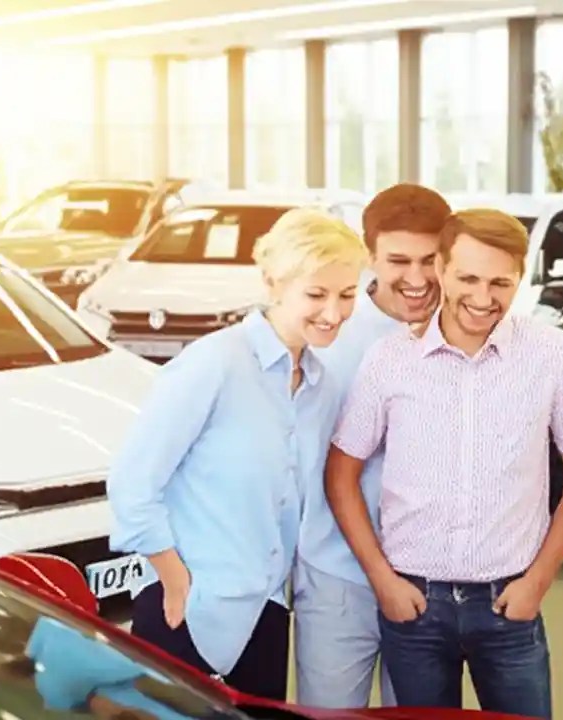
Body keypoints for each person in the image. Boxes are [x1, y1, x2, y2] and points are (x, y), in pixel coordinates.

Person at [326, 209, 563, 719]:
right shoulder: (390, 359)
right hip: (412, 605)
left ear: (521, 278)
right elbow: (341, 474)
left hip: (510, 604)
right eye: (468, 278)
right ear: (440, 269)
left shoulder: (555, 354)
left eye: (501, 282)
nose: (483, 298)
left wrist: (537, 583)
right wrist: (382, 581)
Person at [106, 208, 368, 702]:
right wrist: (174, 578)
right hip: (185, 609)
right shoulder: (214, 363)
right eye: (316, 294)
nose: (333, 312)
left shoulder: (322, 383)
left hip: (266, 613)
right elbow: (132, 485)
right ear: (274, 283)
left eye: (347, 295)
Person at [294, 183, 450, 709]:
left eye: (430, 260)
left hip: (434, 584)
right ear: (370, 257)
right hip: (338, 576)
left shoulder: (464, 332)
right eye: (398, 260)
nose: (416, 277)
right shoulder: (330, 337)